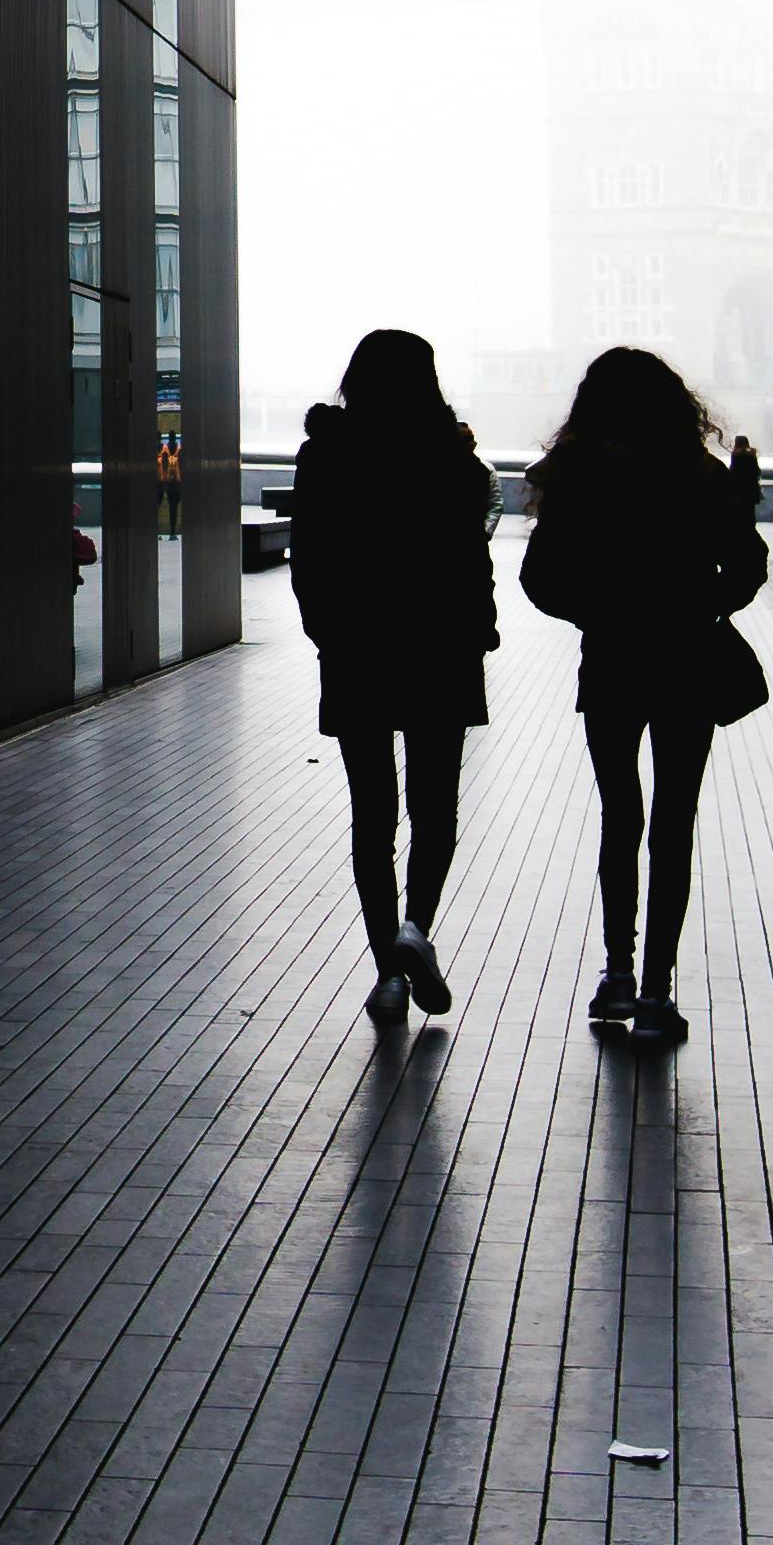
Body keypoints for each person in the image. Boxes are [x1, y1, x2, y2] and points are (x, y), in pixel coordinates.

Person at [523, 346, 769, 1043]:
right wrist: (703, 605)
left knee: (619, 815)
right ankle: (660, 987)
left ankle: (617, 972)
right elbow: (750, 564)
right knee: (674, 822)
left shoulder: (578, 478)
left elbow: (540, 580)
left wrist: (598, 610)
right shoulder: (700, 476)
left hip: (612, 662)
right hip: (688, 658)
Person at [293, 335, 496, 1035]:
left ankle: (387, 972)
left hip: (357, 654)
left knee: (372, 816)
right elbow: (473, 559)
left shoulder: (326, 454)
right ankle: (417, 928)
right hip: (439, 652)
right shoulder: (451, 457)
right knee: (435, 808)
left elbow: (309, 559)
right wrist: (481, 629)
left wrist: (328, 632)